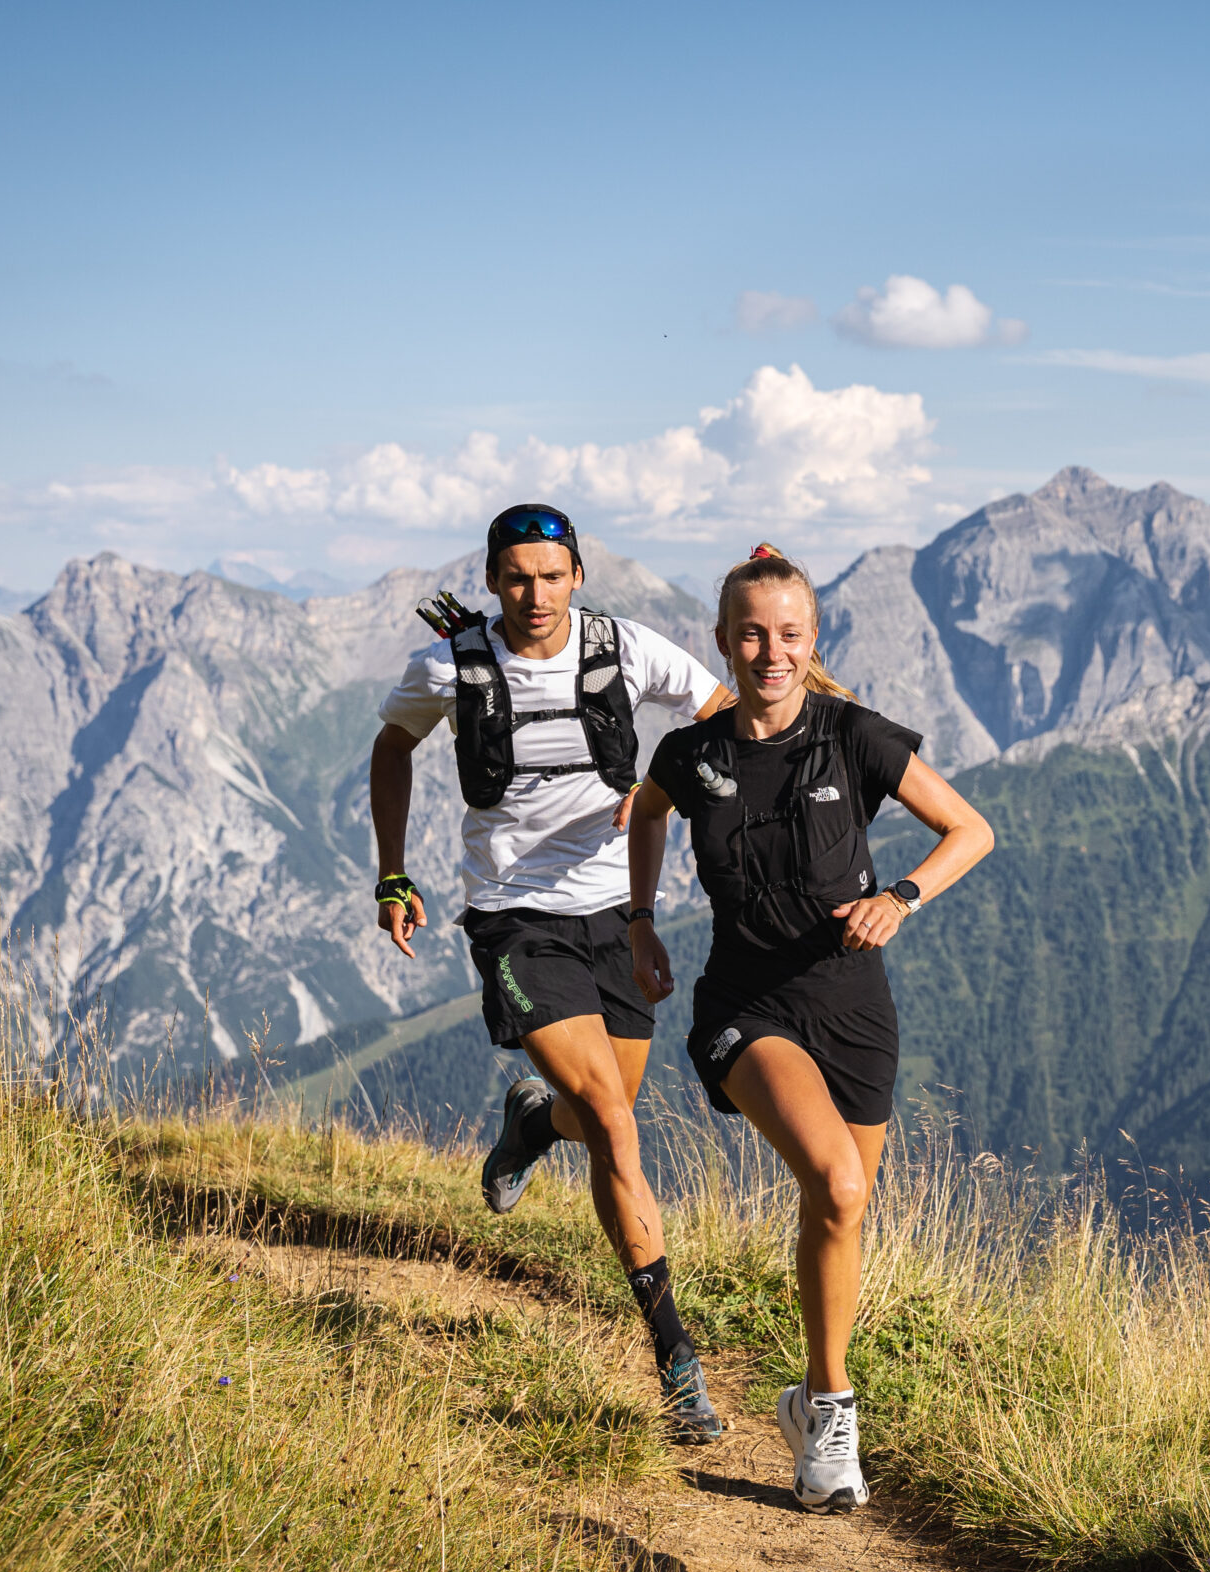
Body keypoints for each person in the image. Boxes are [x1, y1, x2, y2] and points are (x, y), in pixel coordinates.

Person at [627, 543, 993, 1514]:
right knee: (832, 1178)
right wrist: (636, 921)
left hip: (856, 1009)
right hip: (746, 1008)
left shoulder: (852, 737)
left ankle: (801, 1397)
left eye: (789, 633)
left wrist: (902, 896)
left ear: (811, 639)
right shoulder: (691, 754)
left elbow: (971, 830)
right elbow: (647, 812)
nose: (769, 650)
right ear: (722, 642)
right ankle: (833, 1415)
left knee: (841, 1207)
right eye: (751, 633)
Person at [369, 501, 736, 1443]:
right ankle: (675, 1359)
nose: (535, 594)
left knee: (602, 1109)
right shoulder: (450, 661)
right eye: (516, 577)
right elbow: (392, 748)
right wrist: (394, 872)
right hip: (514, 917)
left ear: (578, 577)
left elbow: (724, 717)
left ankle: (534, 1118)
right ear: (492, 581)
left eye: (552, 575)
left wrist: (659, 790)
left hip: (618, 915)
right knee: (615, 1125)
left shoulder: (626, 648)